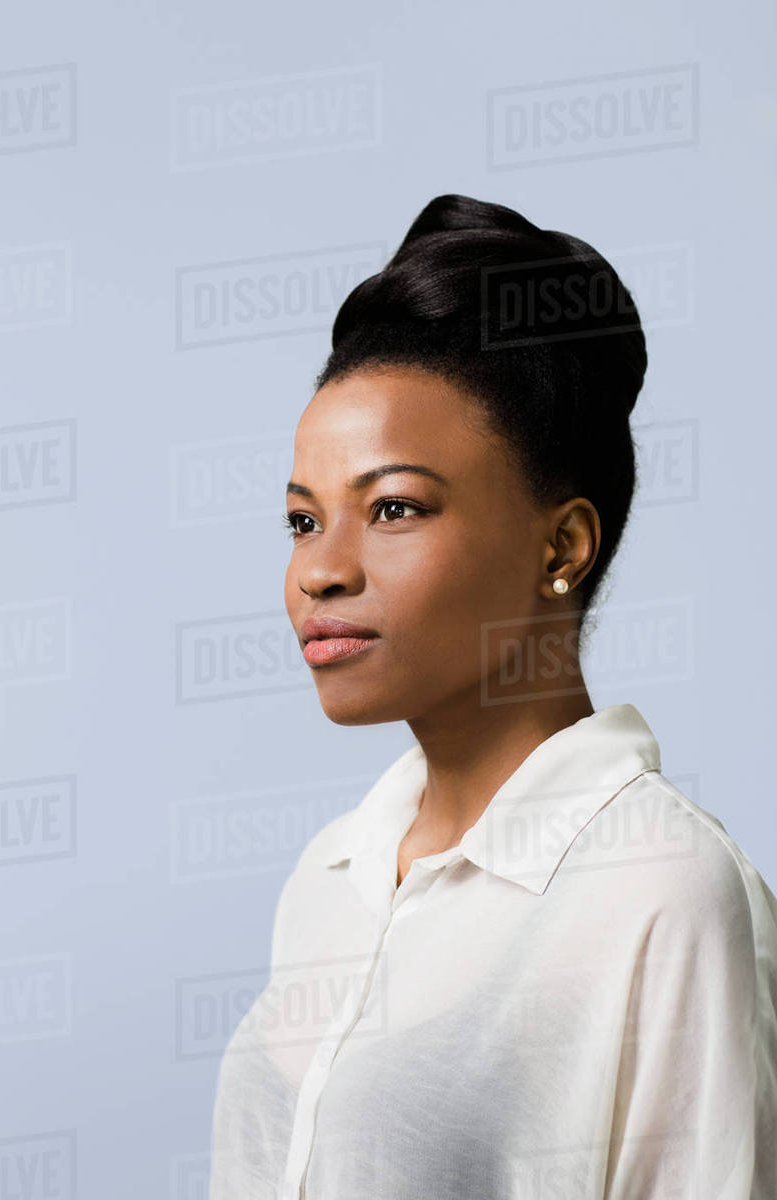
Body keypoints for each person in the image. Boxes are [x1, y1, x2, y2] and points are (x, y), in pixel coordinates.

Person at [209, 193, 777, 1198]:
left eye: (392, 507)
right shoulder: (331, 873)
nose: (319, 573)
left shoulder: (658, 891)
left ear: (558, 546)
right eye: (303, 522)